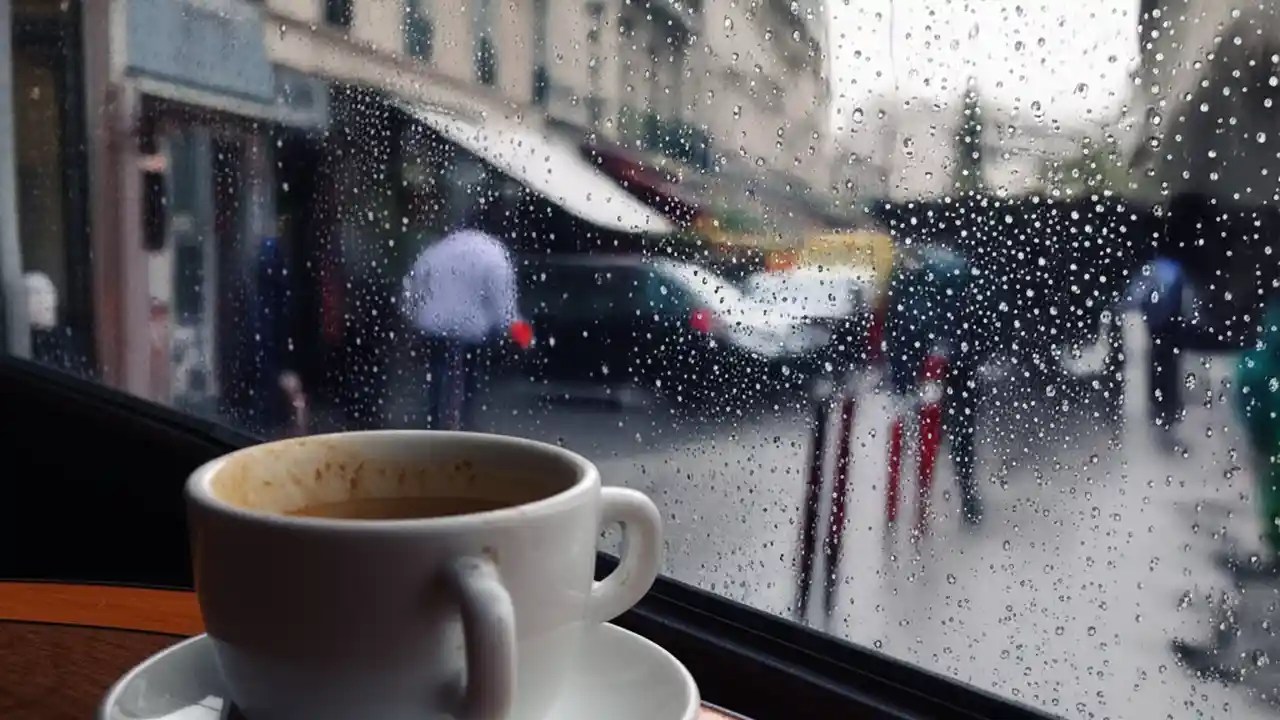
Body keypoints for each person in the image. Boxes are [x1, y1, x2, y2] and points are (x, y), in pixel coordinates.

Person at [401, 168, 529, 431]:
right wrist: (524, 338)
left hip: (432, 328)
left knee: (437, 379)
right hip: (471, 333)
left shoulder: (438, 249)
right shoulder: (494, 253)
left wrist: (411, 321)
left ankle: (434, 426)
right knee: (468, 383)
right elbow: (504, 309)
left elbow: (411, 288)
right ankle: (464, 430)